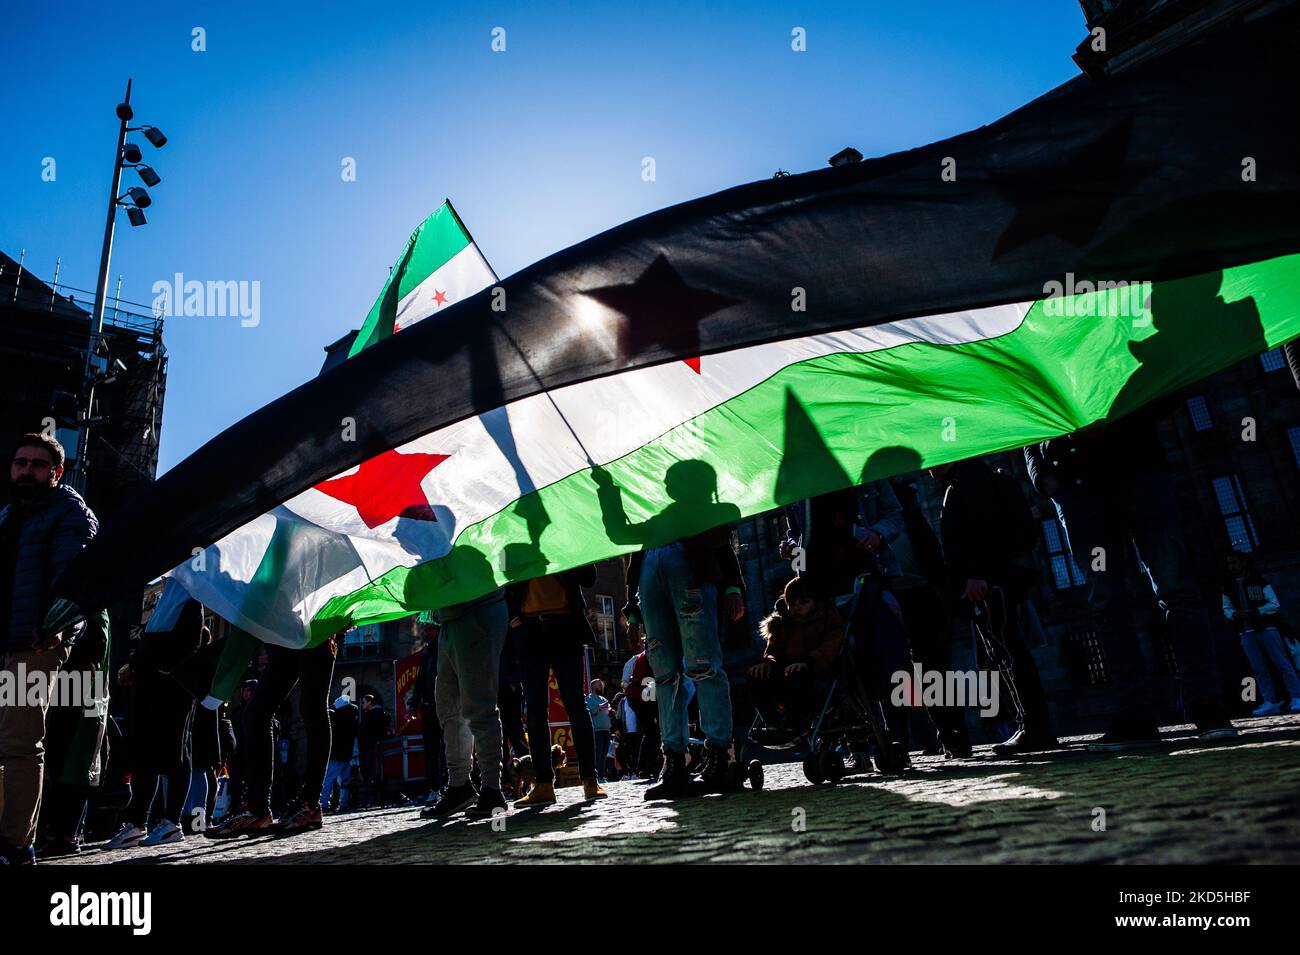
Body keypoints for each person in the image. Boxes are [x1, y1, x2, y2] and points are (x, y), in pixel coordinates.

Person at [1025, 413, 1235, 750]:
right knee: (1108, 603)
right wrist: (1040, 473)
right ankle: (1137, 716)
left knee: (1176, 589)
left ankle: (1207, 707)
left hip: (1139, 469)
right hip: (1077, 485)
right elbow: (1023, 399)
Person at [0, 433, 98, 865]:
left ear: (56, 472)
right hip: (5, 640)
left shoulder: (70, 513)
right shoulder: (10, 514)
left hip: (36, 643)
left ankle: (17, 845)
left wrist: (58, 629)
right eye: (20, 463)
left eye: (38, 465)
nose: (26, 471)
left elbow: (74, 580)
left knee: (20, 745)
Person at [931, 458, 1057, 755]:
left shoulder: (967, 483)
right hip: (996, 581)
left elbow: (981, 533)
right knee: (1006, 650)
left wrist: (977, 574)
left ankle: (1034, 727)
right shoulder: (976, 478)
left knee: (1008, 651)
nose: (927, 467)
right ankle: (1033, 725)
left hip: (988, 584)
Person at [207, 636, 337, 839]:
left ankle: (310, 803)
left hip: (317, 626)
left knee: (313, 708)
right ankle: (257, 809)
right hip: (284, 635)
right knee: (255, 713)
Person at [105, 587, 204, 849]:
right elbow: (150, 641)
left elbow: (187, 644)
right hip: (147, 687)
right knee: (142, 757)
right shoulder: (168, 597)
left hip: (172, 688)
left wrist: (153, 669)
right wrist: (136, 666)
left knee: (175, 754)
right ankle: (137, 823)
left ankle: (171, 821)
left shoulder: (191, 597)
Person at [508, 566, 607, 807]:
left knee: (575, 704)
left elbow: (589, 576)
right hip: (529, 629)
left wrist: (558, 558)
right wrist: (513, 618)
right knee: (535, 711)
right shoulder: (513, 539)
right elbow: (502, 575)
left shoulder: (564, 532)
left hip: (564, 625)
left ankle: (589, 780)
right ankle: (543, 784)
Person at [424, 586, 510, 820]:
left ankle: (492, 788)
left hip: (475, 611)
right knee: (449, 708)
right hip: (451, 619)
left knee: (479, 705)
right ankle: (459, 785)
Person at [748, 577, 842, 730]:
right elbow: (773, 650)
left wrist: (809, 661)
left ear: (815, 603)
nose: (797, 608)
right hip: (786, 676)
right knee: (756, 675)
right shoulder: (783, 624)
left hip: (816, 675)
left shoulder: (828, 620)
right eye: (792, 604)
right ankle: (772, 724)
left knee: (797, 674)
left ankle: (796, 724)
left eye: (804, 602)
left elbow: (831, 646)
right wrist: (767, 663)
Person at [1223, 551, 1300, 716]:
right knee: (1259, 668)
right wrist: (1234, 615)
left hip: (1266, 627)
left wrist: (1255, 612)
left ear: (1243, 563)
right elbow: (1226, 608)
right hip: (1246, 631)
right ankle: (1270, 700)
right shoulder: (1229, 586)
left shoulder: (1258, 581)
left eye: (1234, 562)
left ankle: (1296, 696)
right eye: (1229, 563)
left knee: (1282, 664)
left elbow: (1274, 604)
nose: (1231, 567)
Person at [321, 694, 359, 811]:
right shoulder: (354, 717)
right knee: (345, 781)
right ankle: (344, 804)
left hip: (335, 753)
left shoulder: (335, 717)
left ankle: (324, 804)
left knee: (328, 780)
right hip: (348, 754)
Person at [356, 692, 391, 806]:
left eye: (364, 702)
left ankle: (372, 799)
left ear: (370, 703)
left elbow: (364, 733)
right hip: (378, 746)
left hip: (369, 747)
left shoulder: (370, 715)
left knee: (370, 774)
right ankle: (379, 798)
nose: (362, 705)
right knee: (378, 773)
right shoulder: (383, 714)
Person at [586, 679, 612, 785]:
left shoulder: (603, 698)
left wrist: (609, 710)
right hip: (597, 730)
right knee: (598, 754)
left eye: (601, 685)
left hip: (606, 730)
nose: (601, 686)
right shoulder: (588, 698)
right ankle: (597, 777)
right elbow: (590, 711)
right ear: (593, 687)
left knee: (604, 754)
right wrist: (600, 707)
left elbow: (606, 712)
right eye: (599, 685)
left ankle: (602, 776)